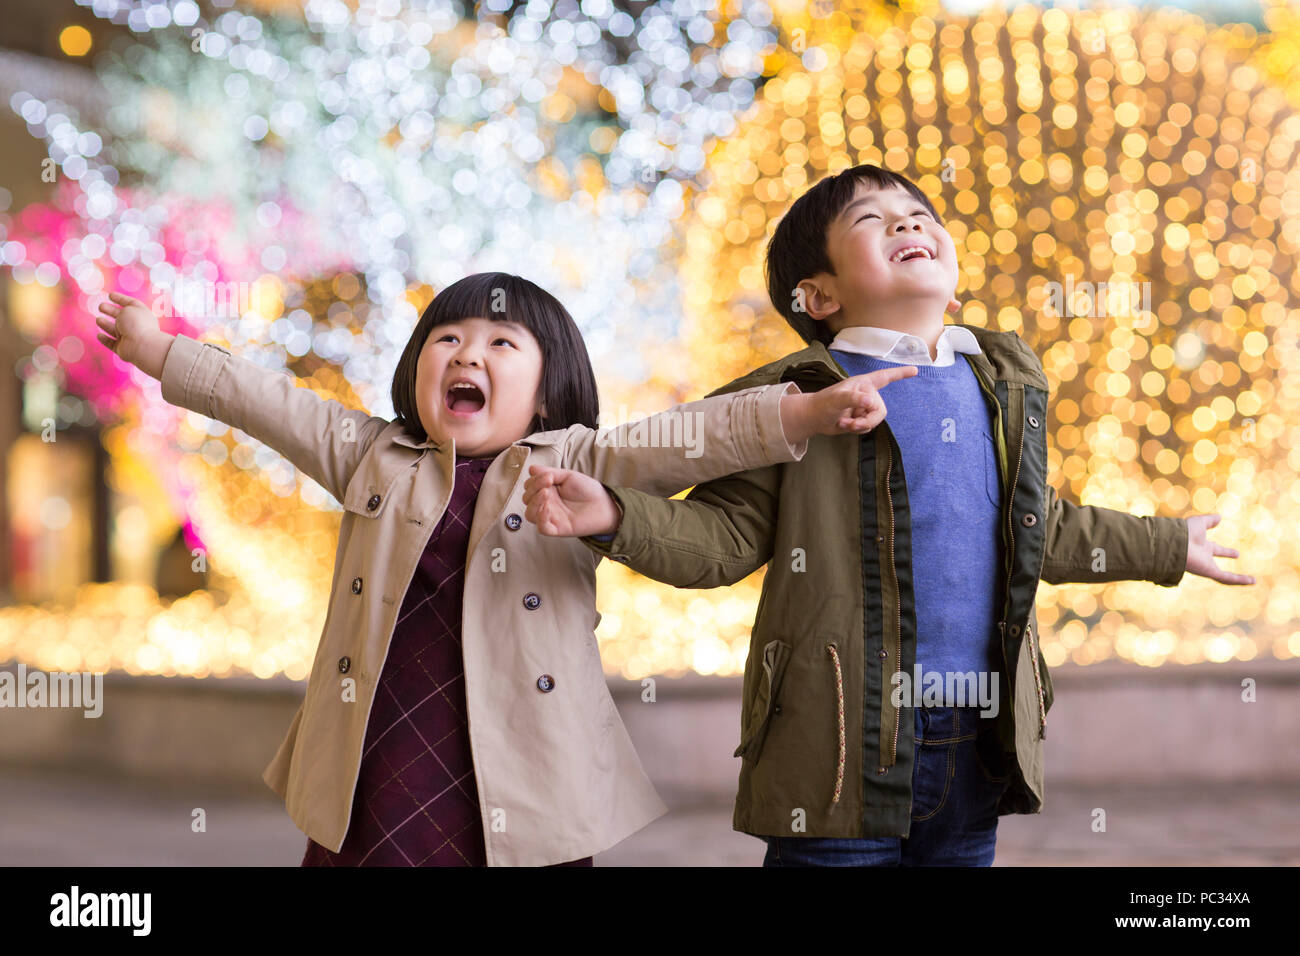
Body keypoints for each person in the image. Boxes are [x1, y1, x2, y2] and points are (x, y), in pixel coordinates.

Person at [522, 165, 1255, 866]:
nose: (907, 222)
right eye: (872, 221)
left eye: (919, 215)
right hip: (838, 742)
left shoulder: (1000, 386)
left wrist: (1167, 545)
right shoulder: (791, 399)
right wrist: (617, 514)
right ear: (819, 297)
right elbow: (725, 538)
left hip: (977, 733)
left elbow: (1039, 530)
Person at [93, 270, 913, 866]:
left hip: (525, 750)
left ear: (549, 391)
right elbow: (268, 402)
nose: (465, 353)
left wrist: (803, 411)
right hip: (385, 741)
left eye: (498, 343)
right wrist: (162, 351)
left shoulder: (582, 455)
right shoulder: (373, 455)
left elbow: (692, 435)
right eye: (444, 339)